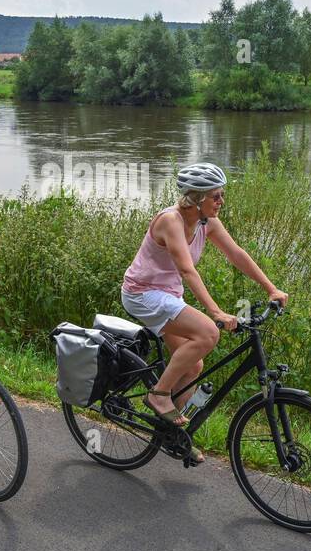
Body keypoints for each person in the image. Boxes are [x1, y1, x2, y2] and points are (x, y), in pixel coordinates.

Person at [121, 162, 288, 460]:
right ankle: (158, 396)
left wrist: (271, 288)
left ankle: (174, 435)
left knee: (193, 366)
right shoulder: (170, 221)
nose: (221, 202)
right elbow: (186, 270)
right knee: (208, 333)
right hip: (141, 294)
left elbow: (236, 254)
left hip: (167, 296)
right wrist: (216, 313)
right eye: (216, 196)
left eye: (221, 195)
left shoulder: (206, 222)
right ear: (197, 198)